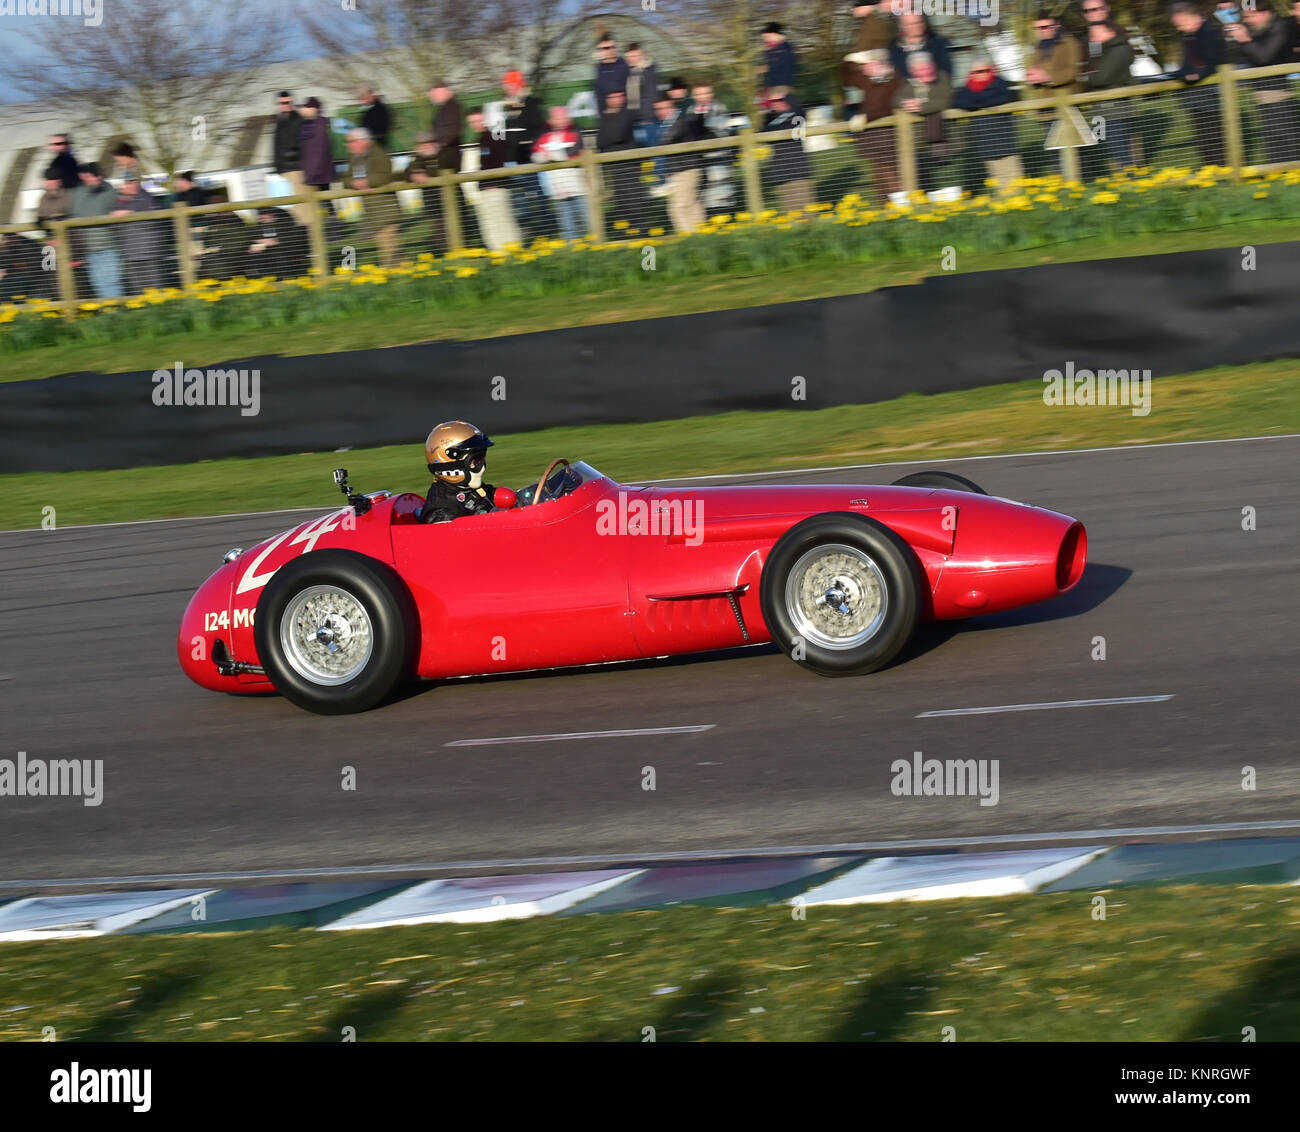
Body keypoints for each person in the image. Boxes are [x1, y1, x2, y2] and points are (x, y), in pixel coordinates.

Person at [1226, 2, 1298, 164]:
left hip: (1277, 90)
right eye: (1245, 17)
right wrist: (1236, 41)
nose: (1248, 20)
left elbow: (1264, 56)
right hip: (1261, 90)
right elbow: (1241, 58)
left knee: (1283, 135)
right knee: (1273, 135)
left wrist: (1245, 40)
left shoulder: (1279, 27)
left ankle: (1289, 168)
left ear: (1264, 12)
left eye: (1251, 16)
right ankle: (1279, 169)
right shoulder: (1259, 28)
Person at [952, 57, 1022, 196]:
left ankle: (1018, 201)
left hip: (1004, 139)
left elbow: (1005, 97)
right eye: (975, 72)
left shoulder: (1000, 83)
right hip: (984, 141)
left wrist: (976, 104)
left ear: (991, 70)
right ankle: (1005, 204)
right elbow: (958, 102)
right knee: (997, 177)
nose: (978, 74)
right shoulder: (966, 88)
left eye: (982, 71)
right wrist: (982, 104)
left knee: (1013, 175)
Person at [1081, 4, 1135, 174]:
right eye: (1089, 10)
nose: (1094, 36)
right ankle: (1118, 177)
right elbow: (1092, 69)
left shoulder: (1118, 49)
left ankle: (1131, 178)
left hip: (1114, 106)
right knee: (1105, 142)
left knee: (1119, 145)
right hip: (1099, 106)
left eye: (1097, 8)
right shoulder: (1094, 45)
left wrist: (1083, 77)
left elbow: (1101, 77)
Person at [1172, 1, 1226, 167]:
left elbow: (1213, 63)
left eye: (1182, 24)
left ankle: (1222, 170)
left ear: (1195, 18)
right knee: (1203, 138)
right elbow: (1186, 64)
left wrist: (1195, 75)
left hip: (1210, 96)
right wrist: (1179, 75)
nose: (1179, 28)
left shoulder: (1210, 33)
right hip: (1195, 96)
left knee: (1214, 137)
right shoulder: (1188, 37)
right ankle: (1210, 170)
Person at [848, 50, 904, 202]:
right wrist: (850, 60)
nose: (863, 69)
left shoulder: (892, 80)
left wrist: (866, 117)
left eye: (866, 65)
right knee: (881, 182)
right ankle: (887, 215)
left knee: (893, 180)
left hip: (888, 139)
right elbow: (847, 76)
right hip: (875, 140)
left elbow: (885, 105)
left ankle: (903, 213)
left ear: (878, 63)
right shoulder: (870, 81)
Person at [894, 52, 953, 194]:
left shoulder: (942, 78)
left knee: (947, 173)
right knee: (923, 175)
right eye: (919, 70)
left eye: (926, 68)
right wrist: (906, 103)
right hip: (917, 141)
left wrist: (921, 107)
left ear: (932, 66)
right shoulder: (908, 83)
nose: (924, 72)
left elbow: (946, 100)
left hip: (944, 137)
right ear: (912, 71)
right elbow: (895, 100)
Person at [343, 127, 401, 267]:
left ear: (361, 141)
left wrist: (367, 182)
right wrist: (354, 183)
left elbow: (386, 176)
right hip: (373, 213)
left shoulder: (379, 154)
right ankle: (401, 274)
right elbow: (345, 179)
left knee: (389, 250)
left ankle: (396, 277)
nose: (347, 145)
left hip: (386, 211)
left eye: (350, 142)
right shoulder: (355, 158)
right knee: (390, 250)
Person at [466, 107, 522, 250]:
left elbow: (498, 160)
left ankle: (510, 250)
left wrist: (493, 182)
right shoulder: (482, 138)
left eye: (478, 120)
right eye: (472, 122)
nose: (476, 124)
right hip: (488, 186)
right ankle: (500, 251)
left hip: (494, 186)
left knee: (501, 221)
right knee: (492, 222)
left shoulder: (494, 137)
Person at [419, 421, 498, 523]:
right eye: (475, 461)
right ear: (450, 464)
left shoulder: (469, 489)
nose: (482, 468)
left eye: (481, 460)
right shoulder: (440, 513)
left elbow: (502, 497)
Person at [501, 69, 547, 239]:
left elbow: (538, 128)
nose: (508, 89)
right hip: (515, 159)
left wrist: (526, 142)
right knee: (520, 195)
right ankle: (526, 227)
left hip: (531, 157)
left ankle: (545, 224)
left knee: (537, 192)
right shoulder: (510, 107)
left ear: (519, 85)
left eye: (511, 85)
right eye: (506, 86)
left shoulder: (531, 105)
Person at [532, 106, 588, 240]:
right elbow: (536, 156)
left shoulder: (575, 132)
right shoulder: (545, 136)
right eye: (557, 118)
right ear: (551, 120)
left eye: (564, 117)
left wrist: (551, 155)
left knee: (587, 218)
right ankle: (573, 248)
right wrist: (547, 156)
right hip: (558, 187)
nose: (561, 120)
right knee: (567, 223)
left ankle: (596, 244)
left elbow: (575, 152)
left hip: (578, 186)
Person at [656, 92, 707, 233]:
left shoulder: (680, 122)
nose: (661, 112)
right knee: (692, 205)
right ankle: (702, 237)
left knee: (678, 208)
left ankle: (689, 240)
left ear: (672, 106)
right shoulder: (670, 123)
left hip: (685, 171)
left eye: (664, 108)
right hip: (684, 171)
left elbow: (666, 141)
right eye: (658, 109)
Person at [70, 162, 122, 299]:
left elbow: (111, 204)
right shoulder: (77, 193)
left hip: (107, 248)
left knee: (110, 284)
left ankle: (114, 316)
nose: (93, 180)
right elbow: (74, 218)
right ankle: (109, 315)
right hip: (88, 250)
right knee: (98, 285)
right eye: (89, 176)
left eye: (96, 176)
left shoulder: (108, 191)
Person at [110, 173, 164, 293]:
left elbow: (154, 221)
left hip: (149, 253)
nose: (129, 185)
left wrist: (130, 213)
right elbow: (114, 224)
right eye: (127, 182)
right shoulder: (121, 201)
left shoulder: (147, 197)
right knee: (138, 291)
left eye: (132, 182)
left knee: (155, 289)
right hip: (131, 254)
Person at [763, 91, 813, 213]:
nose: (776, 104)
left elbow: (800, 115)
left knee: (808, 211)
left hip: (799, 171)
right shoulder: (770, 120)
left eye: (780, 100)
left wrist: (788, 98)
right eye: (772, 102)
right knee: (791, 214)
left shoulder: (797, 117)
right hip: (781, 172)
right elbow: (765, 131)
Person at [597, 89, 640, 227]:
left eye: (620, 96)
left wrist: (609, 139)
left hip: (630, 166)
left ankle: (641, 229)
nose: (617, 99)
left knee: (635, 201)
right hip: (615, 167)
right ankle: (627, 231)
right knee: (621, 201)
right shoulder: (604, 117)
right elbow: (600, 142)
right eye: (613, 96)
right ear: (607, 99)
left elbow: (618, 136)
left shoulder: (628, 114)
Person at [272, 91, 304, 215]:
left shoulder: (297, 119)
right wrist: (278, 167)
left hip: (295, 169)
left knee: (301, 204)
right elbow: (277, 145)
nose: (286, 105)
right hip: (285, 171)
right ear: (278, 104)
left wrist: (290, 157)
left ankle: (308, 232)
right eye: (283, 103)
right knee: (291, 207)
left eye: (288, 102)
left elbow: (296, 143)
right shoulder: (280, 120)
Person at [299, 97, 335, 192]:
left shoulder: (319, 125)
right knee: (321, 202)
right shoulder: (309, 124)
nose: (305, 110)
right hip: (314, 174)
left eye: (308, 107)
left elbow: (320, 151)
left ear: (315, 109)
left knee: (325, 202)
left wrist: (312, 174)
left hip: (319, 174)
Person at [760, 21, 798, 99]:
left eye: (767, 36)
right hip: (774, 87)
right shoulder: (772, 49)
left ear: (776, 35)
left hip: (781, 88)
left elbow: (782, 67)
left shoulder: (784, 49)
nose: (765, 40)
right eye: (764, 37)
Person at [595, 35, 629, 103]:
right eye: (605, 48)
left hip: (624, 107)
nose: (611, 50)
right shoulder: (599, 67)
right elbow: (599, 91)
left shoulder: (624, 64)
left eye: (613, 47)